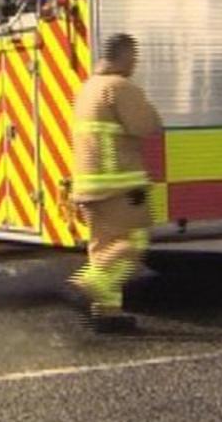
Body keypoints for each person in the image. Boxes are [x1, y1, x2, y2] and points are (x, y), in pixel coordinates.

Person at [68, 33, 163, 332]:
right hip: (119, 185)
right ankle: (91, 281)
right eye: (134, 57)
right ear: (123, 57)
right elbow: (147, 125)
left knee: (103, 246)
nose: (136, 63)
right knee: (133, 241)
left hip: (88, 186)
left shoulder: (88, 89)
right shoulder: (120, 88)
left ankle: (107, 311)